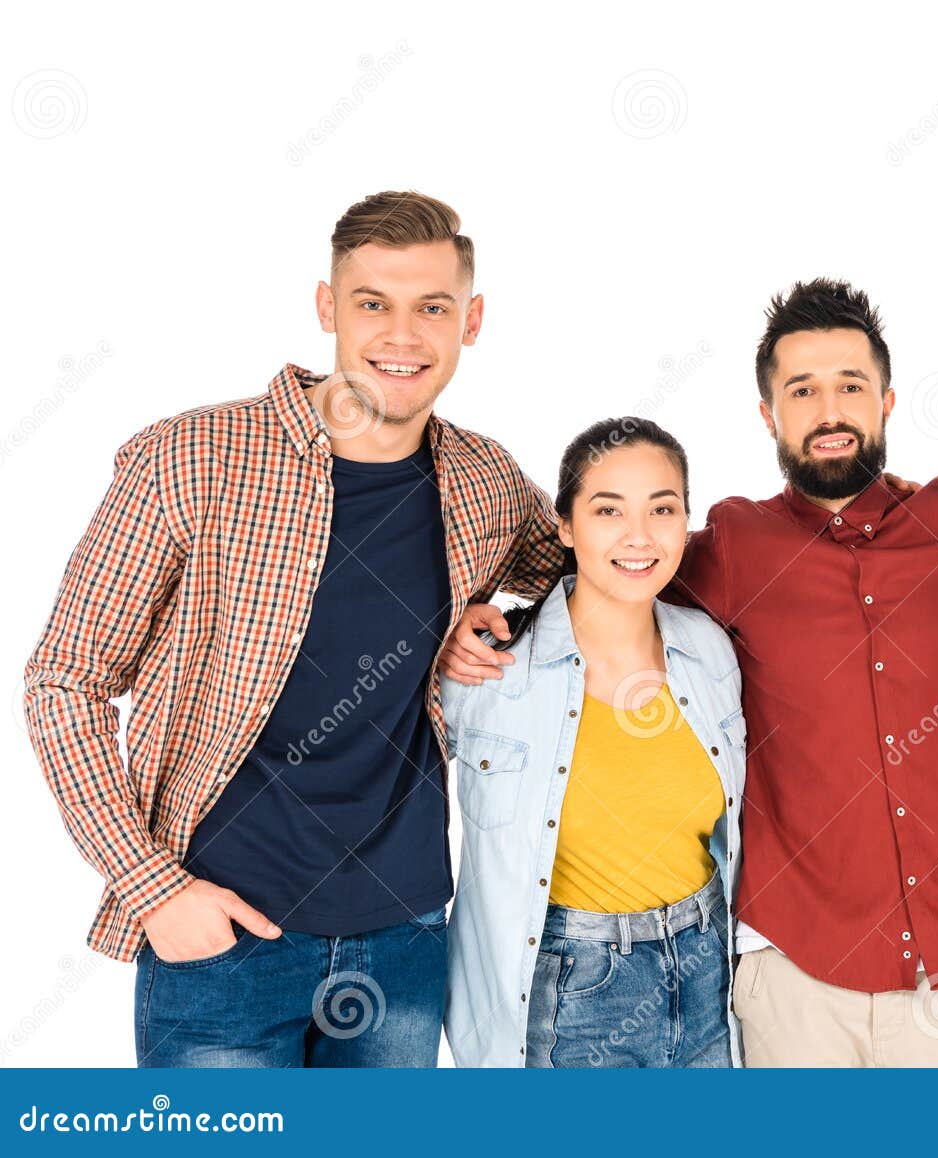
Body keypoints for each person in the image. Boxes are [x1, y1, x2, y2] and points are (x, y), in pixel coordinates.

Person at [22, 191, 563, 1066]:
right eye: (372, 304)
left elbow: (591, 572)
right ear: (326, 309)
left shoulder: (483, 477)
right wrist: (153, 889)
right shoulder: (189, 458)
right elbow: (65, 681)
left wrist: (501, 621)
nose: (402, 335)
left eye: (432, 307)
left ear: (472, 320)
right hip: (220, 942)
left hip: (407, 937)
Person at [441, 280, 938, 1066]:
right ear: (768, 415)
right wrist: (478, 611)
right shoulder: (739, 546)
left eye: (850, 386)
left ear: (886, 400)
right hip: (796, 969)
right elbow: (618, 571)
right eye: (802, 390)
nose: (829, 410)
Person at [441, 418, 746, 1068]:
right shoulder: (488, 668)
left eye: (662, 509)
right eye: (609, 510)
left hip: (705, 966)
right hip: (573, 988)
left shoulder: (710, 650)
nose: (639, 536)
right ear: (565, 526)